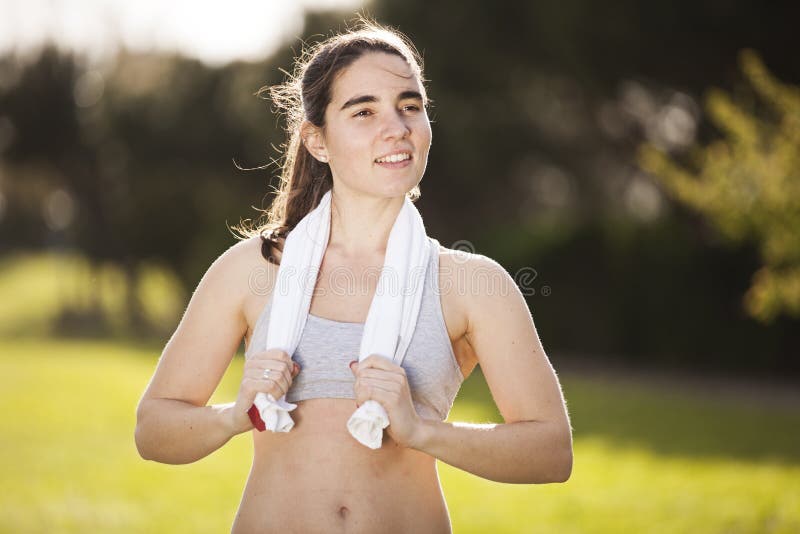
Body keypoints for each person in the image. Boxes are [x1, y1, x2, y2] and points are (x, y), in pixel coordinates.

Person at [135, 16, 573, 534]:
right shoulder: (253, 269)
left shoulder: (473, 285)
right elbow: (153, 429)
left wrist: (421, 431)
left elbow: (550, 451)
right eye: (364, 110)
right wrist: (235, 414)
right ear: (317, 140)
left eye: (410, 106)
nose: (398, 126)